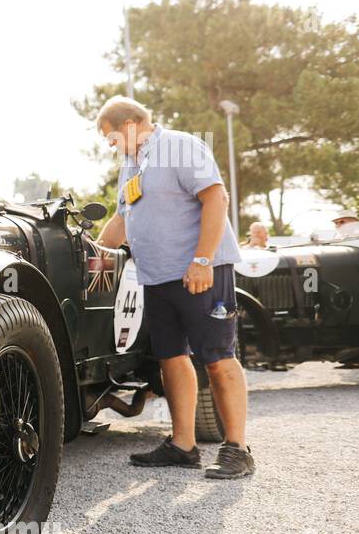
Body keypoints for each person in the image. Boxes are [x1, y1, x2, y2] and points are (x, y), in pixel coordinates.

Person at [94, 96, 255, 480]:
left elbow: (216, 196)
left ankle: (238, 448)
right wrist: (94, 252)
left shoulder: (180, 145)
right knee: (171, 358)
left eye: (112, 137)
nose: (111, 146)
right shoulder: (132, 164)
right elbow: (121, 217)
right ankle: (183, 445)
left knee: (217, 357)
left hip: (199, 271)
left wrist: (202, 260)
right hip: (158, 277)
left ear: (131, 124)